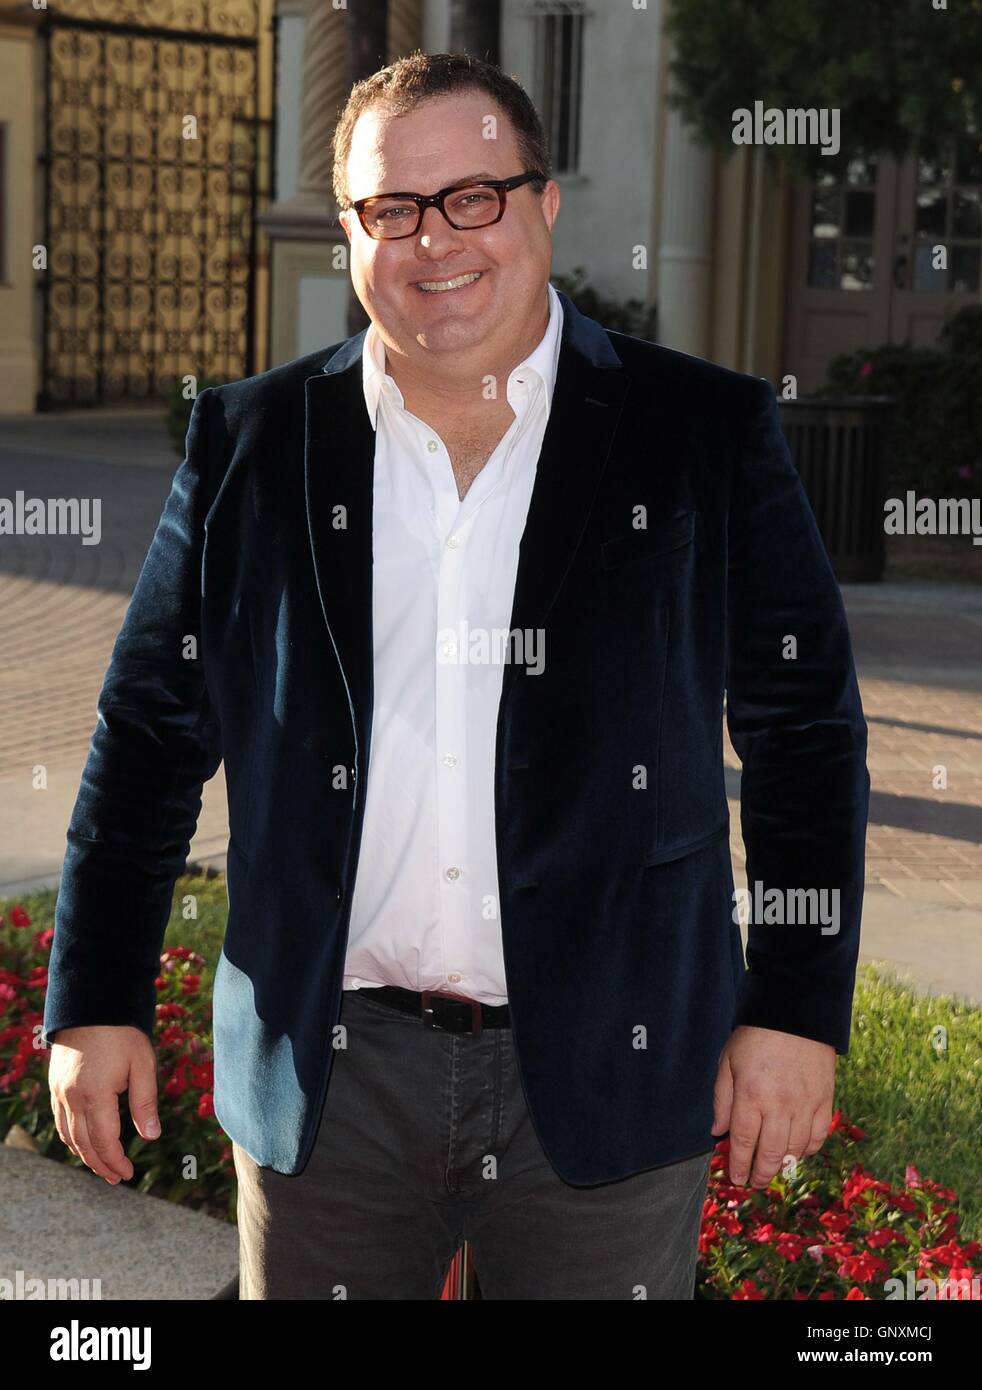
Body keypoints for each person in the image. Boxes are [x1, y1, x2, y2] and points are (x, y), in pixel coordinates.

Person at [43, 52, 870, 1300]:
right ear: (350, 231)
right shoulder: (251, 442)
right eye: (393, 208)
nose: (435, 240)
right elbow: (148, 733)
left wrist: (796, 1006)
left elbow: (803, 733)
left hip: (611, 1064)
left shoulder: (700, 429)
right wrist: (97, 995)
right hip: (332, 1078)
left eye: (473, 196)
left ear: (542, 203)